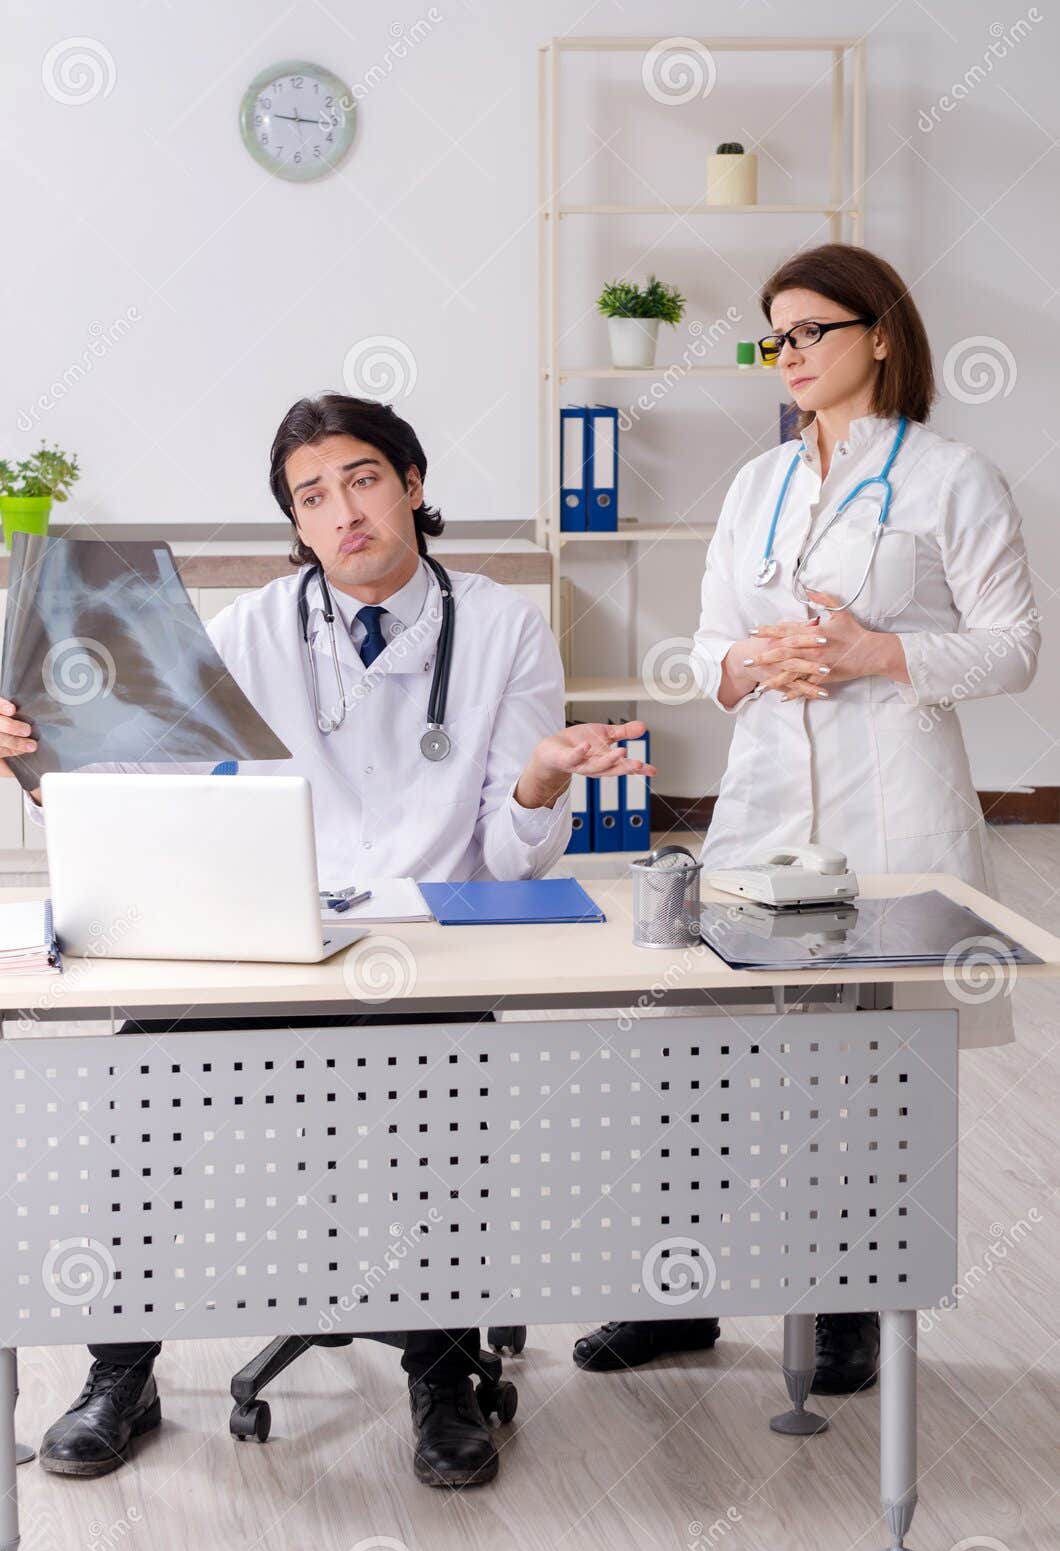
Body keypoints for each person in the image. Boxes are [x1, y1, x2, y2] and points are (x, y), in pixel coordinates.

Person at [0, 392, 655, 1487]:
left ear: (411, 484)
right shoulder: (250, 629)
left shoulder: (502, 627)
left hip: (431, 947)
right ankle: (121, 1371)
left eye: (361, 480)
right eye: (311, 497)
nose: (342, 511)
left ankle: (442, 1375)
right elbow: (139, 787)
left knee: (444, 1103)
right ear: (295, 523)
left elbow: (508, 862)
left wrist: (543, 780)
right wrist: (34, 754)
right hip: (271, 936)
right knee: (133, 1092)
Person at [574, 242, 1039, 1391]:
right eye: (774, 337)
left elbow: (1013, 648)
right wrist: (747, 661)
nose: (787, 354)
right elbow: (702, 646)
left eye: (809, 331)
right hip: (764, 803)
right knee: (702, 1050)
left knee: (863, 1069)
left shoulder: (953, 478)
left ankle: (847, 1303)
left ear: (878, 333)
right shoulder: (757, 485)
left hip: (894, 809)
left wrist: (877, 653)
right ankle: (680, 1295)